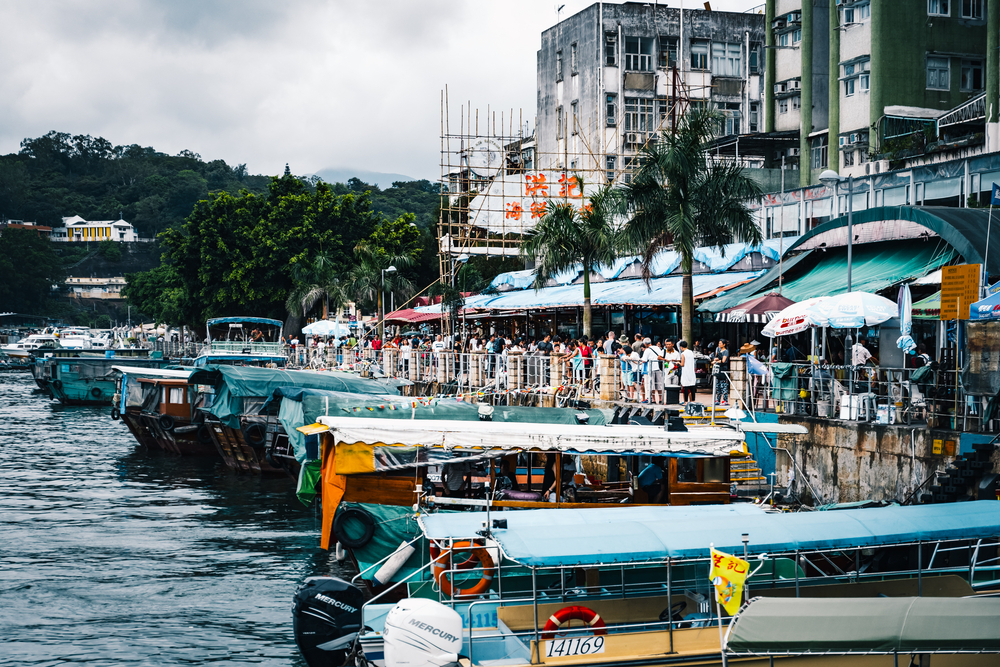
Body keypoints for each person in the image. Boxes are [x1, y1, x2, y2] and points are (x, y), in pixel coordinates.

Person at [642, 337, 664, 404]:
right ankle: (660, 399)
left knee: (652, 385)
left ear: (645, 344)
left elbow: (644, 360)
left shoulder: (647, 350)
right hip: (658, 368)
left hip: (651, 369)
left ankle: (653, 399)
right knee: (659, 384)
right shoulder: (657, 348)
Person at [711, 339, 731, 405]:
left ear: (724, 344)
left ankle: (725, 400)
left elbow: (723, 360)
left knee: (723, 385)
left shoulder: (726, 351)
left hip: (723, 369)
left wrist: (716, 361)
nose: (719, 344)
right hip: (718, 369)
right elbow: (718, 358)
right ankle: (718, 399)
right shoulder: (719, 350)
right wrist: (715, 359)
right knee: (718, 385)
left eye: (720, 343)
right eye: (719, 343)